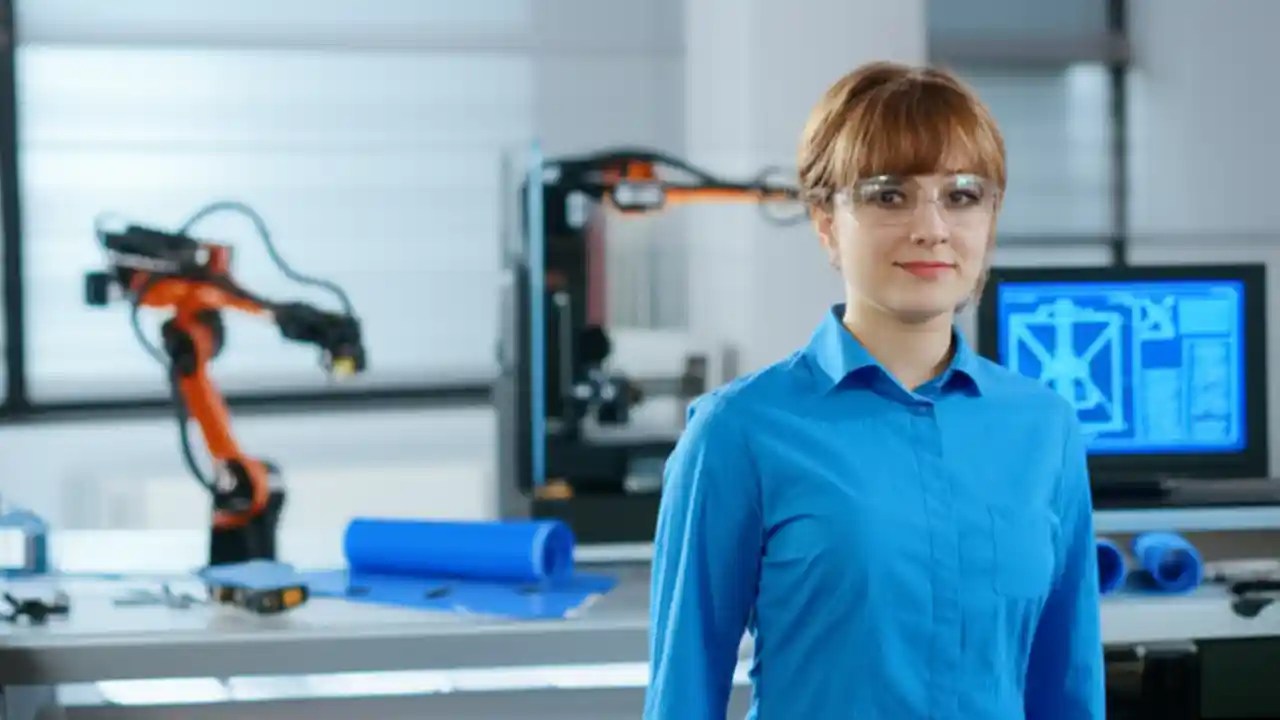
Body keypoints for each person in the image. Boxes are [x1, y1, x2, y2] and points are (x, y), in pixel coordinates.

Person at [644, 61, 1105, 719]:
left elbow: (1068, 688)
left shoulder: (1045, 428)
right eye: (889, 195)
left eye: (963, 196)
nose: (932, 229)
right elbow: (683, 695)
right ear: (826, 222)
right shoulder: (738, 432)